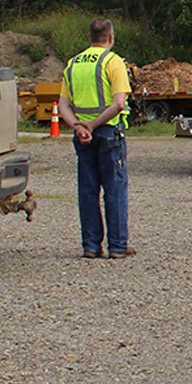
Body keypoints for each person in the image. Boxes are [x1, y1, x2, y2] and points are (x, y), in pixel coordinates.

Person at [57, 17, 134, 259]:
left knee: (88, 190)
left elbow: (63, 105)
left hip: (83, 135)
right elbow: (119, 103)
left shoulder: (73, 64)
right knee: (114, 189)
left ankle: (90, 245)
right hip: (108, 132)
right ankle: (117, 245)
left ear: (88, 37)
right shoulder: (113, 61)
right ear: (110, 37)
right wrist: (94, 124)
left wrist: (79, 127)